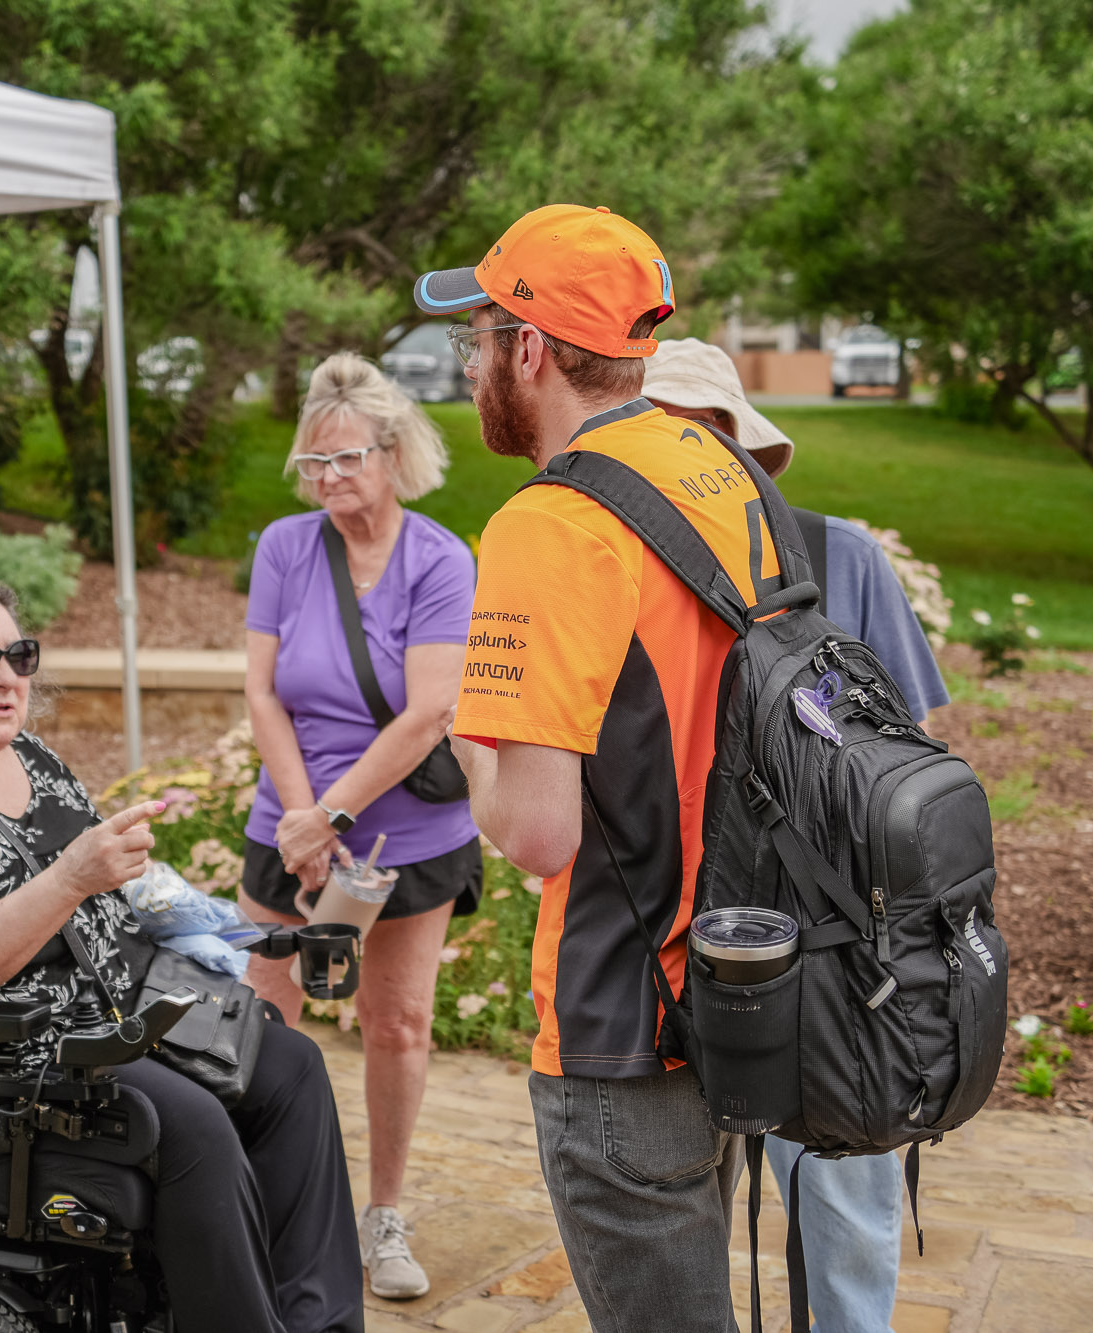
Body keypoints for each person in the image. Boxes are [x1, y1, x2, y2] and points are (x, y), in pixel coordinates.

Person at [418, 204, 762, 1332]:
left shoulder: (549, 522)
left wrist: (470, 747)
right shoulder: (714, 468)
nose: (469, 367)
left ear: (526, 347)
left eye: (473, 340)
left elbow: (534, 833)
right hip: (745, 978)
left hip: (623, 1014)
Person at [0, 575, 364, 1333]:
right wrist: (74, 875)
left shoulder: (34, 757)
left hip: (122, 1007)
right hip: (15, 1056)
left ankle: (319, 1323)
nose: (6, 675)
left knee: (291, 1065)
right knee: (191, 1124)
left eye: (19, 654)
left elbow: (118, 883)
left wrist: (213, 924)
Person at [643, 337, 949, 1333]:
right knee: (680, 1214)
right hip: (664, 939)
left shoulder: (840, 557)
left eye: (706, 432)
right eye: (661, 432)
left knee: (842, 1211)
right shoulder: (616, 568)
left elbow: (913, 767)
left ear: (749, 453)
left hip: (827, 959)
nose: (686, 453)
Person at [236, 351, 479, 1301]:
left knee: (397, 1021)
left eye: (345, 459)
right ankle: (255, 1197)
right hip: (290, 820)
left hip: (406, 831)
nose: (328, 479)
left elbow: (428, 713)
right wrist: (302, 818)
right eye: (314, 463)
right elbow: (262, 688)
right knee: (265, 1011)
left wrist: (334, 813)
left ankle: (383, 1217)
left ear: (394, 452)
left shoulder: (440, 560)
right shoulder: (284, 547)